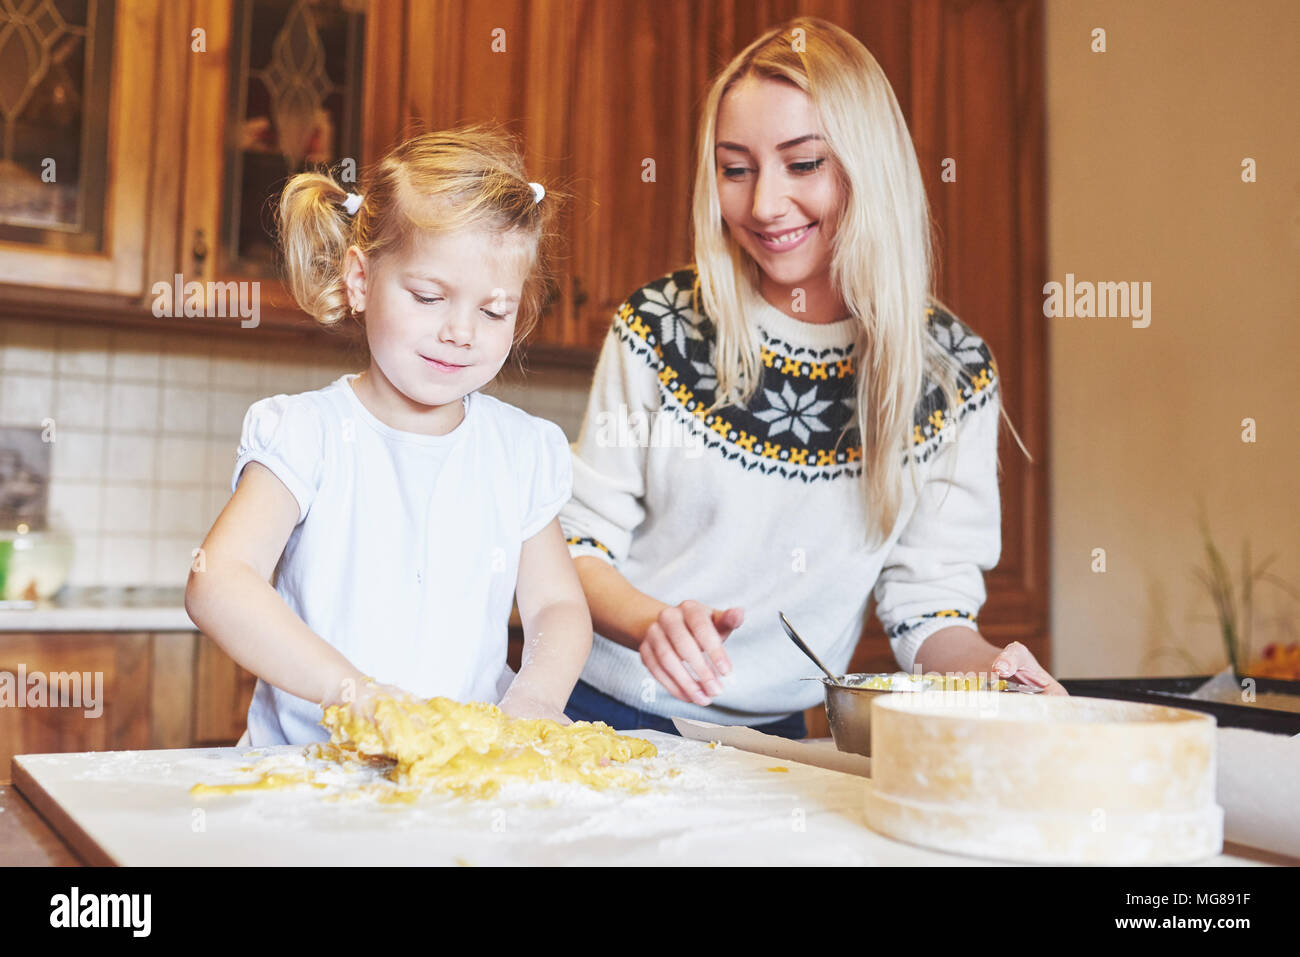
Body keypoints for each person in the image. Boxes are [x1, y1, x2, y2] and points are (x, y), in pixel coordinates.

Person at [560, 17, 1066, 740]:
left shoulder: (951, 374)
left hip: (778, 737)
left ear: (869, 167)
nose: (764, 204)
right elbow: (574, 546)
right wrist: (652, 623)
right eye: (736, 169)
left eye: (803, 164)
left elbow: (928, 608)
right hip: (607, 718)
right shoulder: (659, 325)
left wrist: (992, 677)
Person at [185, 127, 590, 746]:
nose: (461, 331)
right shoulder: (307, 435)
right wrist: (356, 695)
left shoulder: (521, 452)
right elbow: (219, 580)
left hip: (458, 785)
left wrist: (533, 698)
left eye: (493, 311)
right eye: (429, 296)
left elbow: (555, 607)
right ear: (360, 279)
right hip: (303, 785)